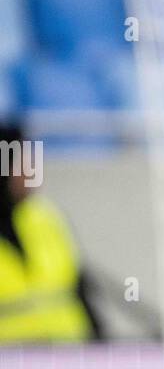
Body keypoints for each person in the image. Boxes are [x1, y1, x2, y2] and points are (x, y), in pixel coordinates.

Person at [0, 120, 102, 342]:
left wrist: (100, 346)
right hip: (8, 365)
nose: (31, 171)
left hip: (67, 357)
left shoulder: (45, 217)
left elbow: (80, 290)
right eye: (21, 163)